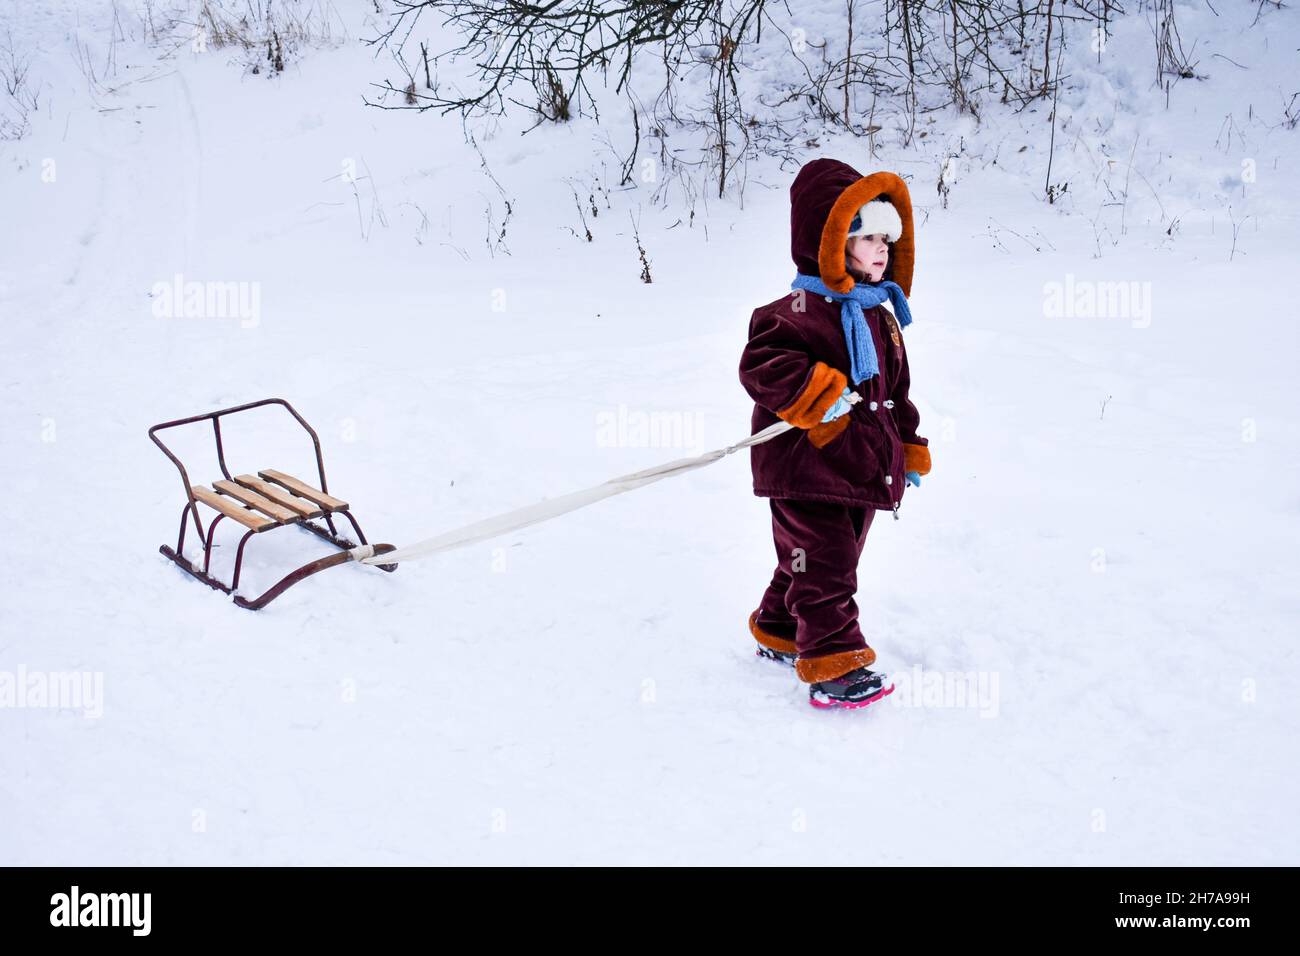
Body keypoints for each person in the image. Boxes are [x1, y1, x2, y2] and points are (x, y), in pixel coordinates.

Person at [737, 158, 931, 709]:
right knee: (826, 565)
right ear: (830, 239)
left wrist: (909, 446)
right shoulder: (795, 312)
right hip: (802, 466)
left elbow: (897, 390)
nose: (881, 247)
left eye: (886, 238)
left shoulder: (878, 314)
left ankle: (777, 624)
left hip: (860, 465)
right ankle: (833, 660)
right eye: (867, 235)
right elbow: (762, 364)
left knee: (814, 558)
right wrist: (822, 399)